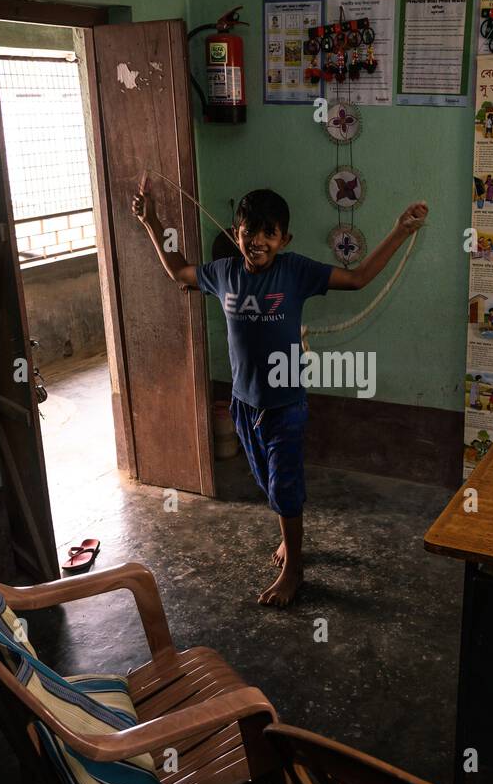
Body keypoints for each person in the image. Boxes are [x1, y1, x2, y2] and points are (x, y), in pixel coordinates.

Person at [132, 185, 428, 606]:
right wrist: (151, 222)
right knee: (269, 486)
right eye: (251, 232)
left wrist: (400, 229)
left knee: (284, 487)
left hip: (286, 405)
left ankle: (295, 567)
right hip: (243, 404)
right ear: (237, 232)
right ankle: (290, 541)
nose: (259, 242)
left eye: (270, 234)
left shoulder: (294, 272)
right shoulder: (223, 273)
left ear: (284, 240)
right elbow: (179, 271)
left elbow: (359, 278)